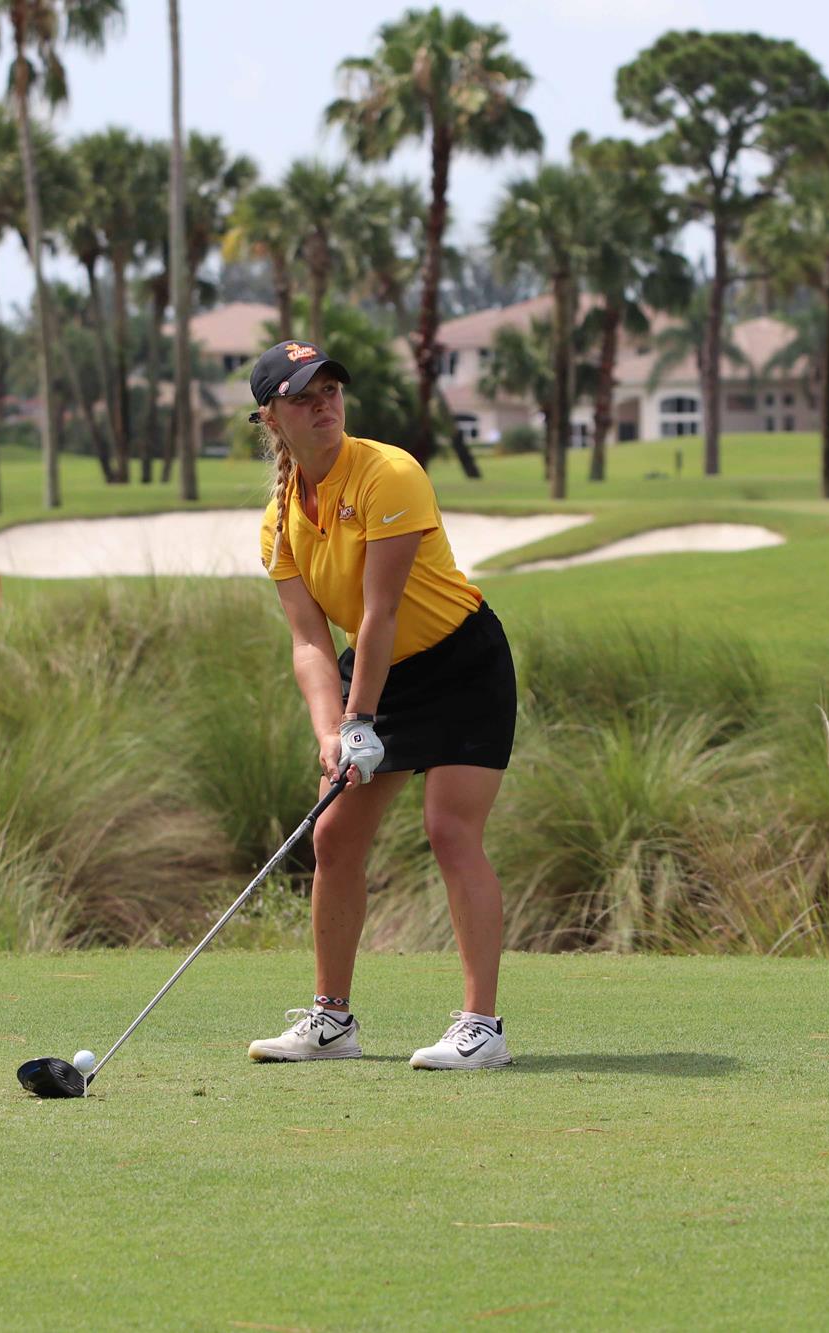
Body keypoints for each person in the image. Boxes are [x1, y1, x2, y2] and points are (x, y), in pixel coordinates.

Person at [243, 338, 518, 1072]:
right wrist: (331, 730)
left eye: (330, 389)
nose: (323, 404)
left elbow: (381, 610)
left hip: (462, 663)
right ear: (272, 417)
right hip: (377, 675)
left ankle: (482, 1027)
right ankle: (332, 1020)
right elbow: (308, 641)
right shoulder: (279, 523)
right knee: (333, 836)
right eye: (303, 396)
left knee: (449, 829)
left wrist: (360, 715)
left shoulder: (389, 473)